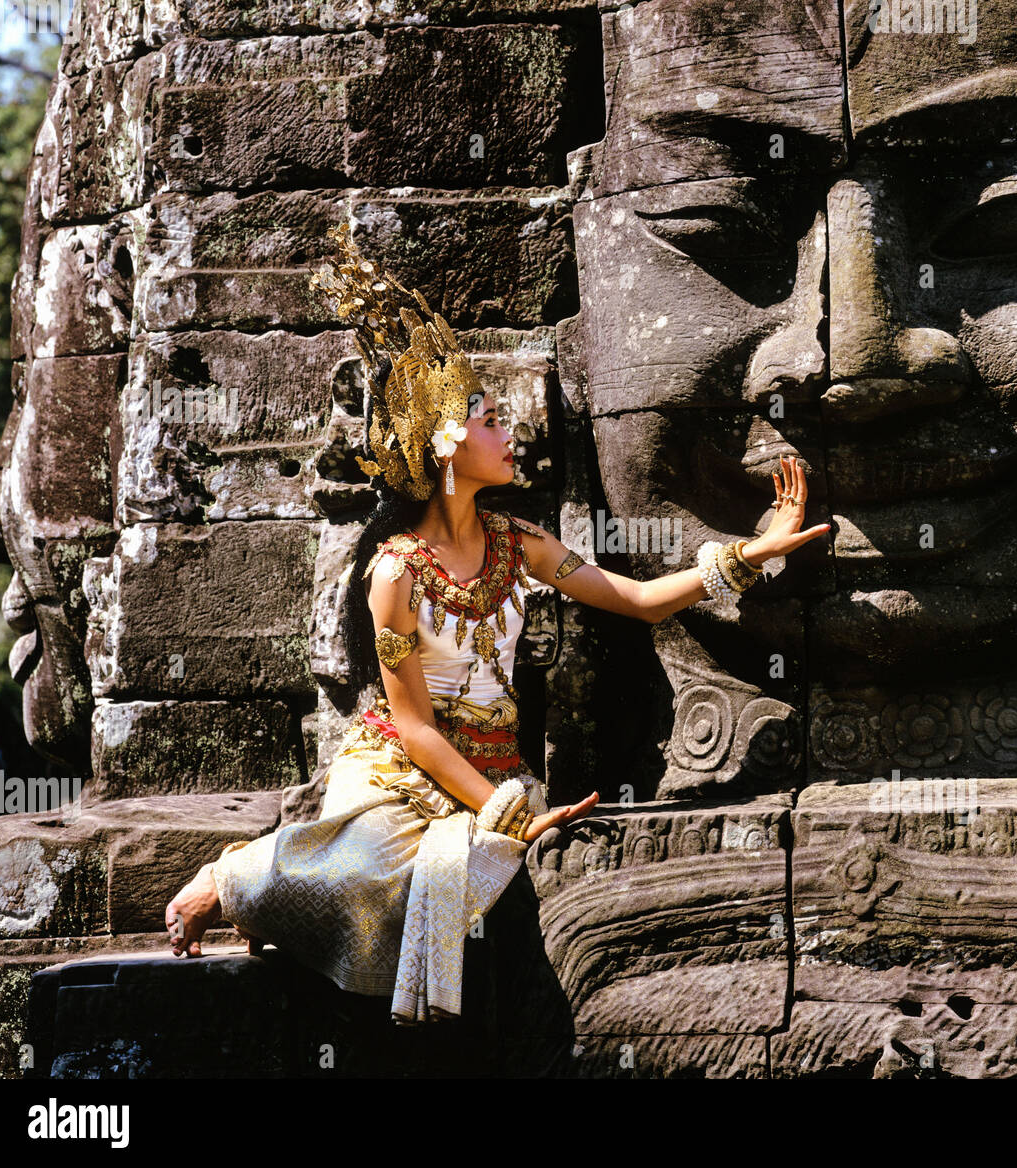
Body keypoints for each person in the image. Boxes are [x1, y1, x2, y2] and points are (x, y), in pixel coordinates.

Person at [163, 223, 830, 1025]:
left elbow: (639, 599)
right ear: (446, 450)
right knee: (366, 874)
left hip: (489, 765)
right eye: (487, 421)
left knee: (473, 883)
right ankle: (232, 877)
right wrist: (504, 809)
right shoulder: (396, 575)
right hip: (397, 771)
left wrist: (752, 551)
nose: (507, 432)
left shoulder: (521, 545)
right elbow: (413, 726)